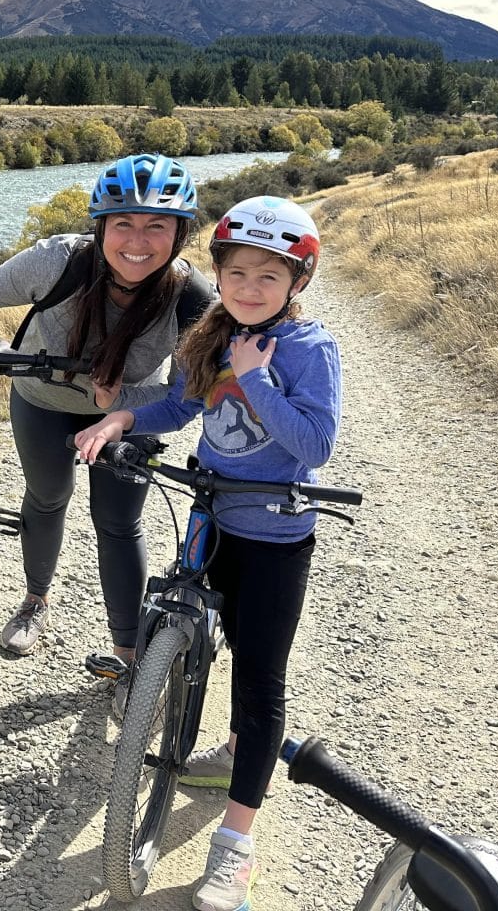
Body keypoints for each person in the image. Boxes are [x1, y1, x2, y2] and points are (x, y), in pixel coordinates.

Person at [0, 153, 214, 716]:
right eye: (123, 223)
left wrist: (119, 403)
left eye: (157, 226)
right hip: (41, 403)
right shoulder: (60, 261)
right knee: (46, 499)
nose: (138, 241)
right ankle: (34, 601)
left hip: (126, 422)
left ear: (180, 233)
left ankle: (129, 657)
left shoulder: (192, 301)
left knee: (118, 524)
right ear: (100, 226)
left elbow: (187, 396)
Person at [72, 195, 340, 911]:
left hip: (276, 536)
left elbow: (314, 444)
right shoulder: (215, 335)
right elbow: (183, 408)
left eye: (268, 277)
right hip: (210, 512)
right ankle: (190, 701)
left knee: (260, 682)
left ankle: (234, 849)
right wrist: (125, 415)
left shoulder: (308, 350)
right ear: (217, 274)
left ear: (296, 284)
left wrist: (255, 378)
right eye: (237, 273)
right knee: (185, 629)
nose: (249, 289)